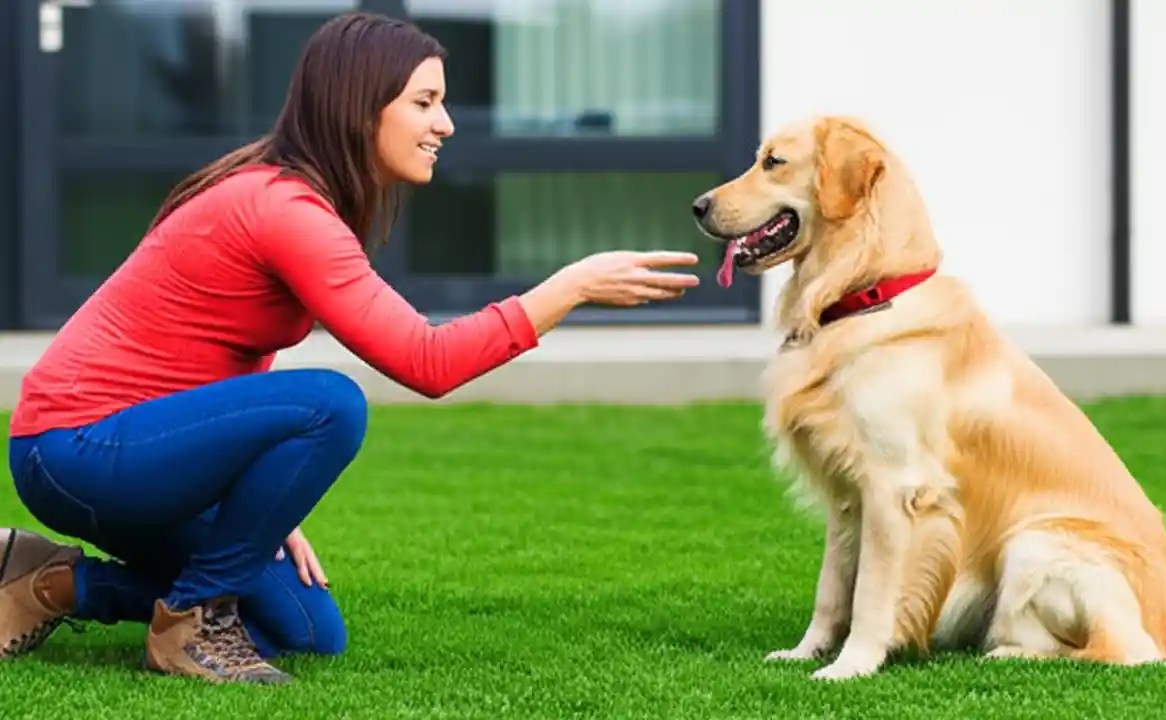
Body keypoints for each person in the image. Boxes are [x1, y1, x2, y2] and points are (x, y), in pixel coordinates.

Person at [0, 11, 700, 685]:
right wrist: (570, 287)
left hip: (141, 453)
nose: (445, 125)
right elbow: (428, 363)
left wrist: (265, 510)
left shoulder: (297, 202)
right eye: (425, 102)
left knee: (305, 628)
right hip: (76, 451)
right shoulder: (285, 209)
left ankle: (57, 583)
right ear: (363, 107)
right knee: (331, 403)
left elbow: (230, 351)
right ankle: (188, 623)